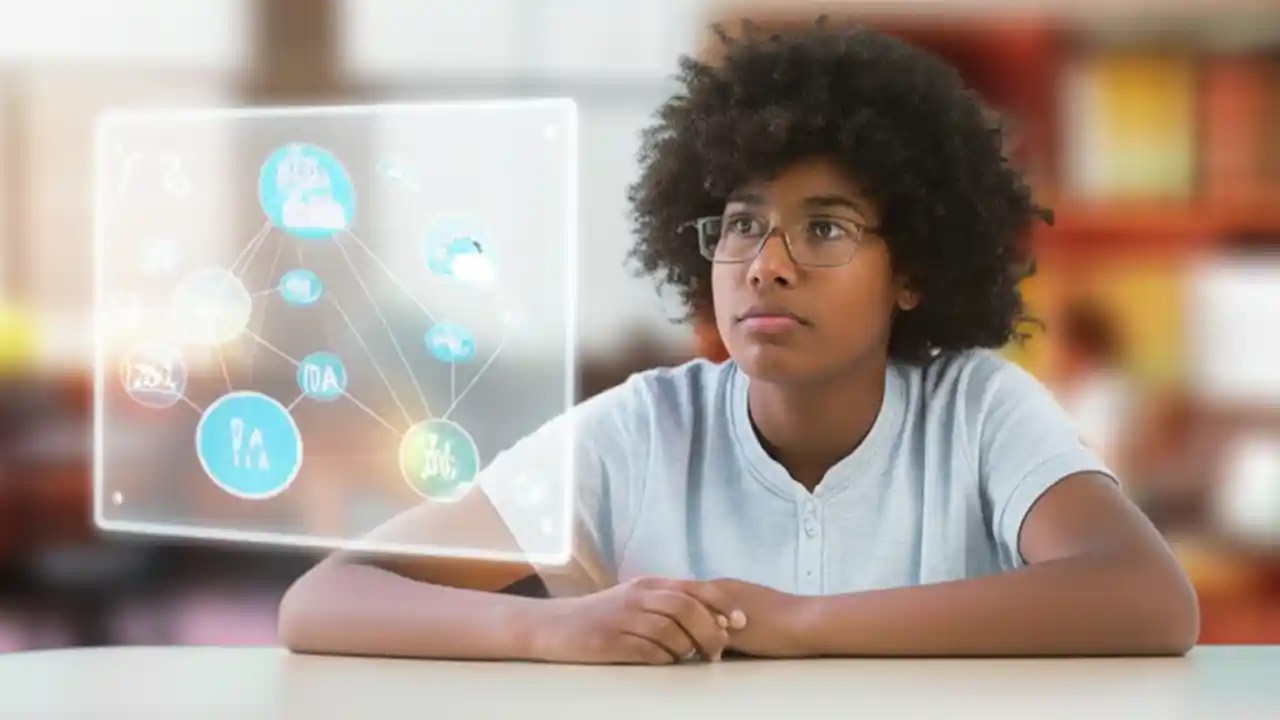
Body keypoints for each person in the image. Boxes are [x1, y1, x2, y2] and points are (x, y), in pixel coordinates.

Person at [278, 19, 1198, 663]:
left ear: (912, 270)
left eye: (825, 228)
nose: (766, 266)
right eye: (742, 226)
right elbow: (325, 597)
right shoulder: (641, 431)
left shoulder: (977, 410)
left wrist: (798, 622)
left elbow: (1148, 597)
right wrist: (553, 630)